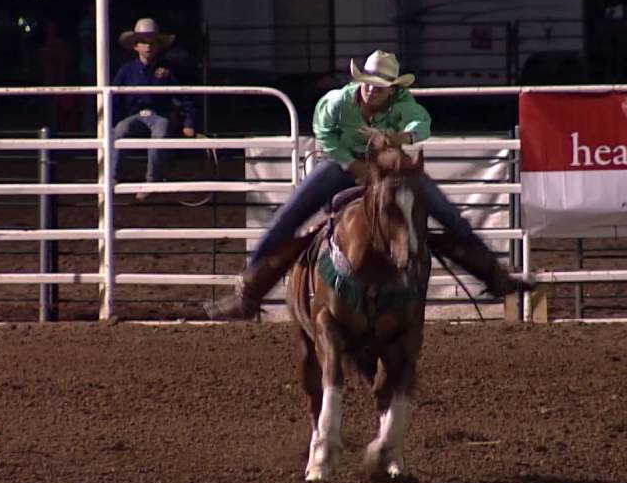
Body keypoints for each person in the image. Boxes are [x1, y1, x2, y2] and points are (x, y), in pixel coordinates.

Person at [207, 50, 534, 320]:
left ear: (392, 89)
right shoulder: (338, 102)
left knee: (449, 216)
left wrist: (402, 137)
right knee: (287, 218)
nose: (371, 89)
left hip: (387, 166)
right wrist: (355, 167)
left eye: (380, 86)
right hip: (341, 164)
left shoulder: (402, 103)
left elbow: (421, 123)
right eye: (367, 83)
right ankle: (248, 293)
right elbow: (325, 135)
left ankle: (495, 276)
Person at [111, 18, 197, 200]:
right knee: (118, 131)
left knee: (160, 132)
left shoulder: (168, 70)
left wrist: (188, 123)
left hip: (159, 116)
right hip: (135, 116)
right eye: (143, 42)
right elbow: (114, 99)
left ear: (158, 46)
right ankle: (112, 177)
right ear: (136, 46)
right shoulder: (126, 71)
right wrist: (110, 122)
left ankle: (152, 181)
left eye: (152, 42)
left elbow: (185, 96)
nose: (148, 46)